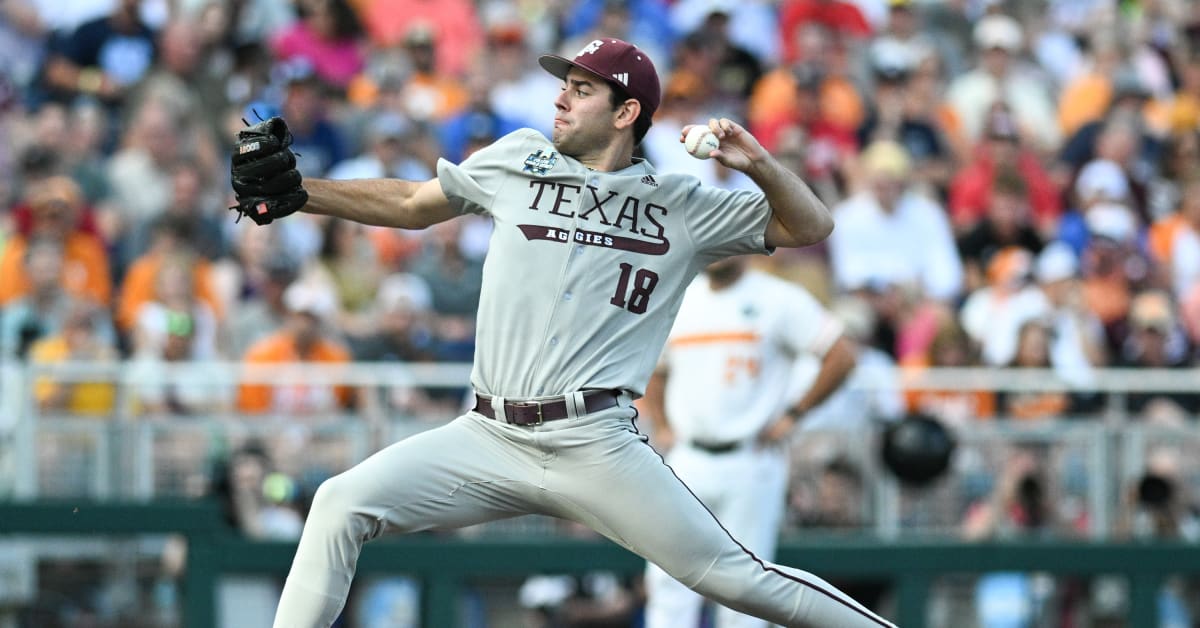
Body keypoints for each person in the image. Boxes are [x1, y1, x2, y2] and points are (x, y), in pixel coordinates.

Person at [231, 37, 896, 628]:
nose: (560, 101)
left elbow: (811, 227)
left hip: (596, 442)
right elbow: (411, 203)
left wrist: (757, 164)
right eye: (562, 86)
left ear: (626, 111)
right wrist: (302, 191)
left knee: (739, 581)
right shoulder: (519, 159)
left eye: (580, 91)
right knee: (340, 502)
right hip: (489, 433)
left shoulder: (681, 206)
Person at [639, 254, 858, 628]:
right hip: (686, 457)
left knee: (746, 590)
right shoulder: (681, 296)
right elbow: (657, 369)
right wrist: (662, 423)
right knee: (668, 581)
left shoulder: (778, 298)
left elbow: (841, 356)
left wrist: (794, 414)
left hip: (750, 459)